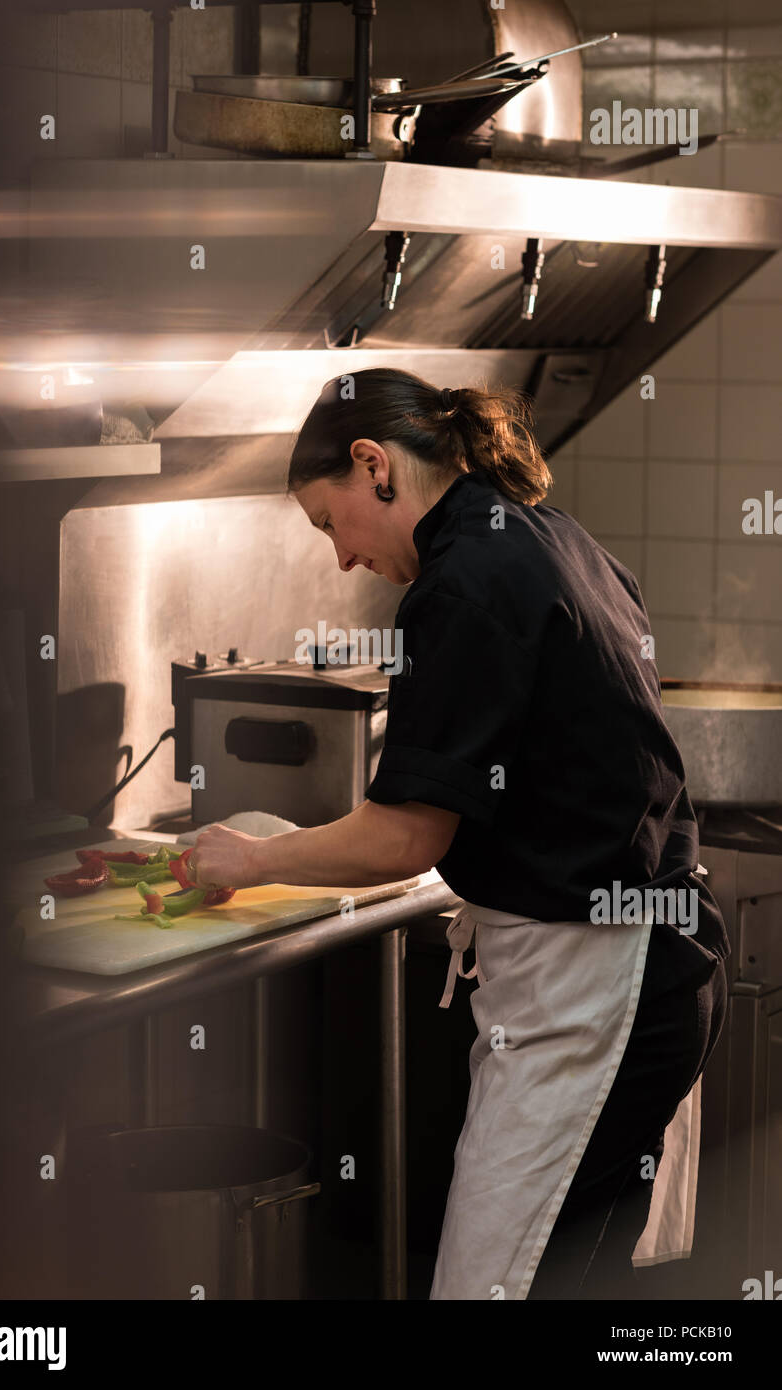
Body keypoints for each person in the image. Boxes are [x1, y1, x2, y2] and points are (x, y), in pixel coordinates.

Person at [186, 368, 730, 1300]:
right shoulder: (544, 537)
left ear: (373, 466)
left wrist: (249, 858)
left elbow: (402, 840)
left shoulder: (464, 584)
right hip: (633, 966)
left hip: (597, 989)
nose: (342, 559)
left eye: (329, 523)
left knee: (502, 1286)